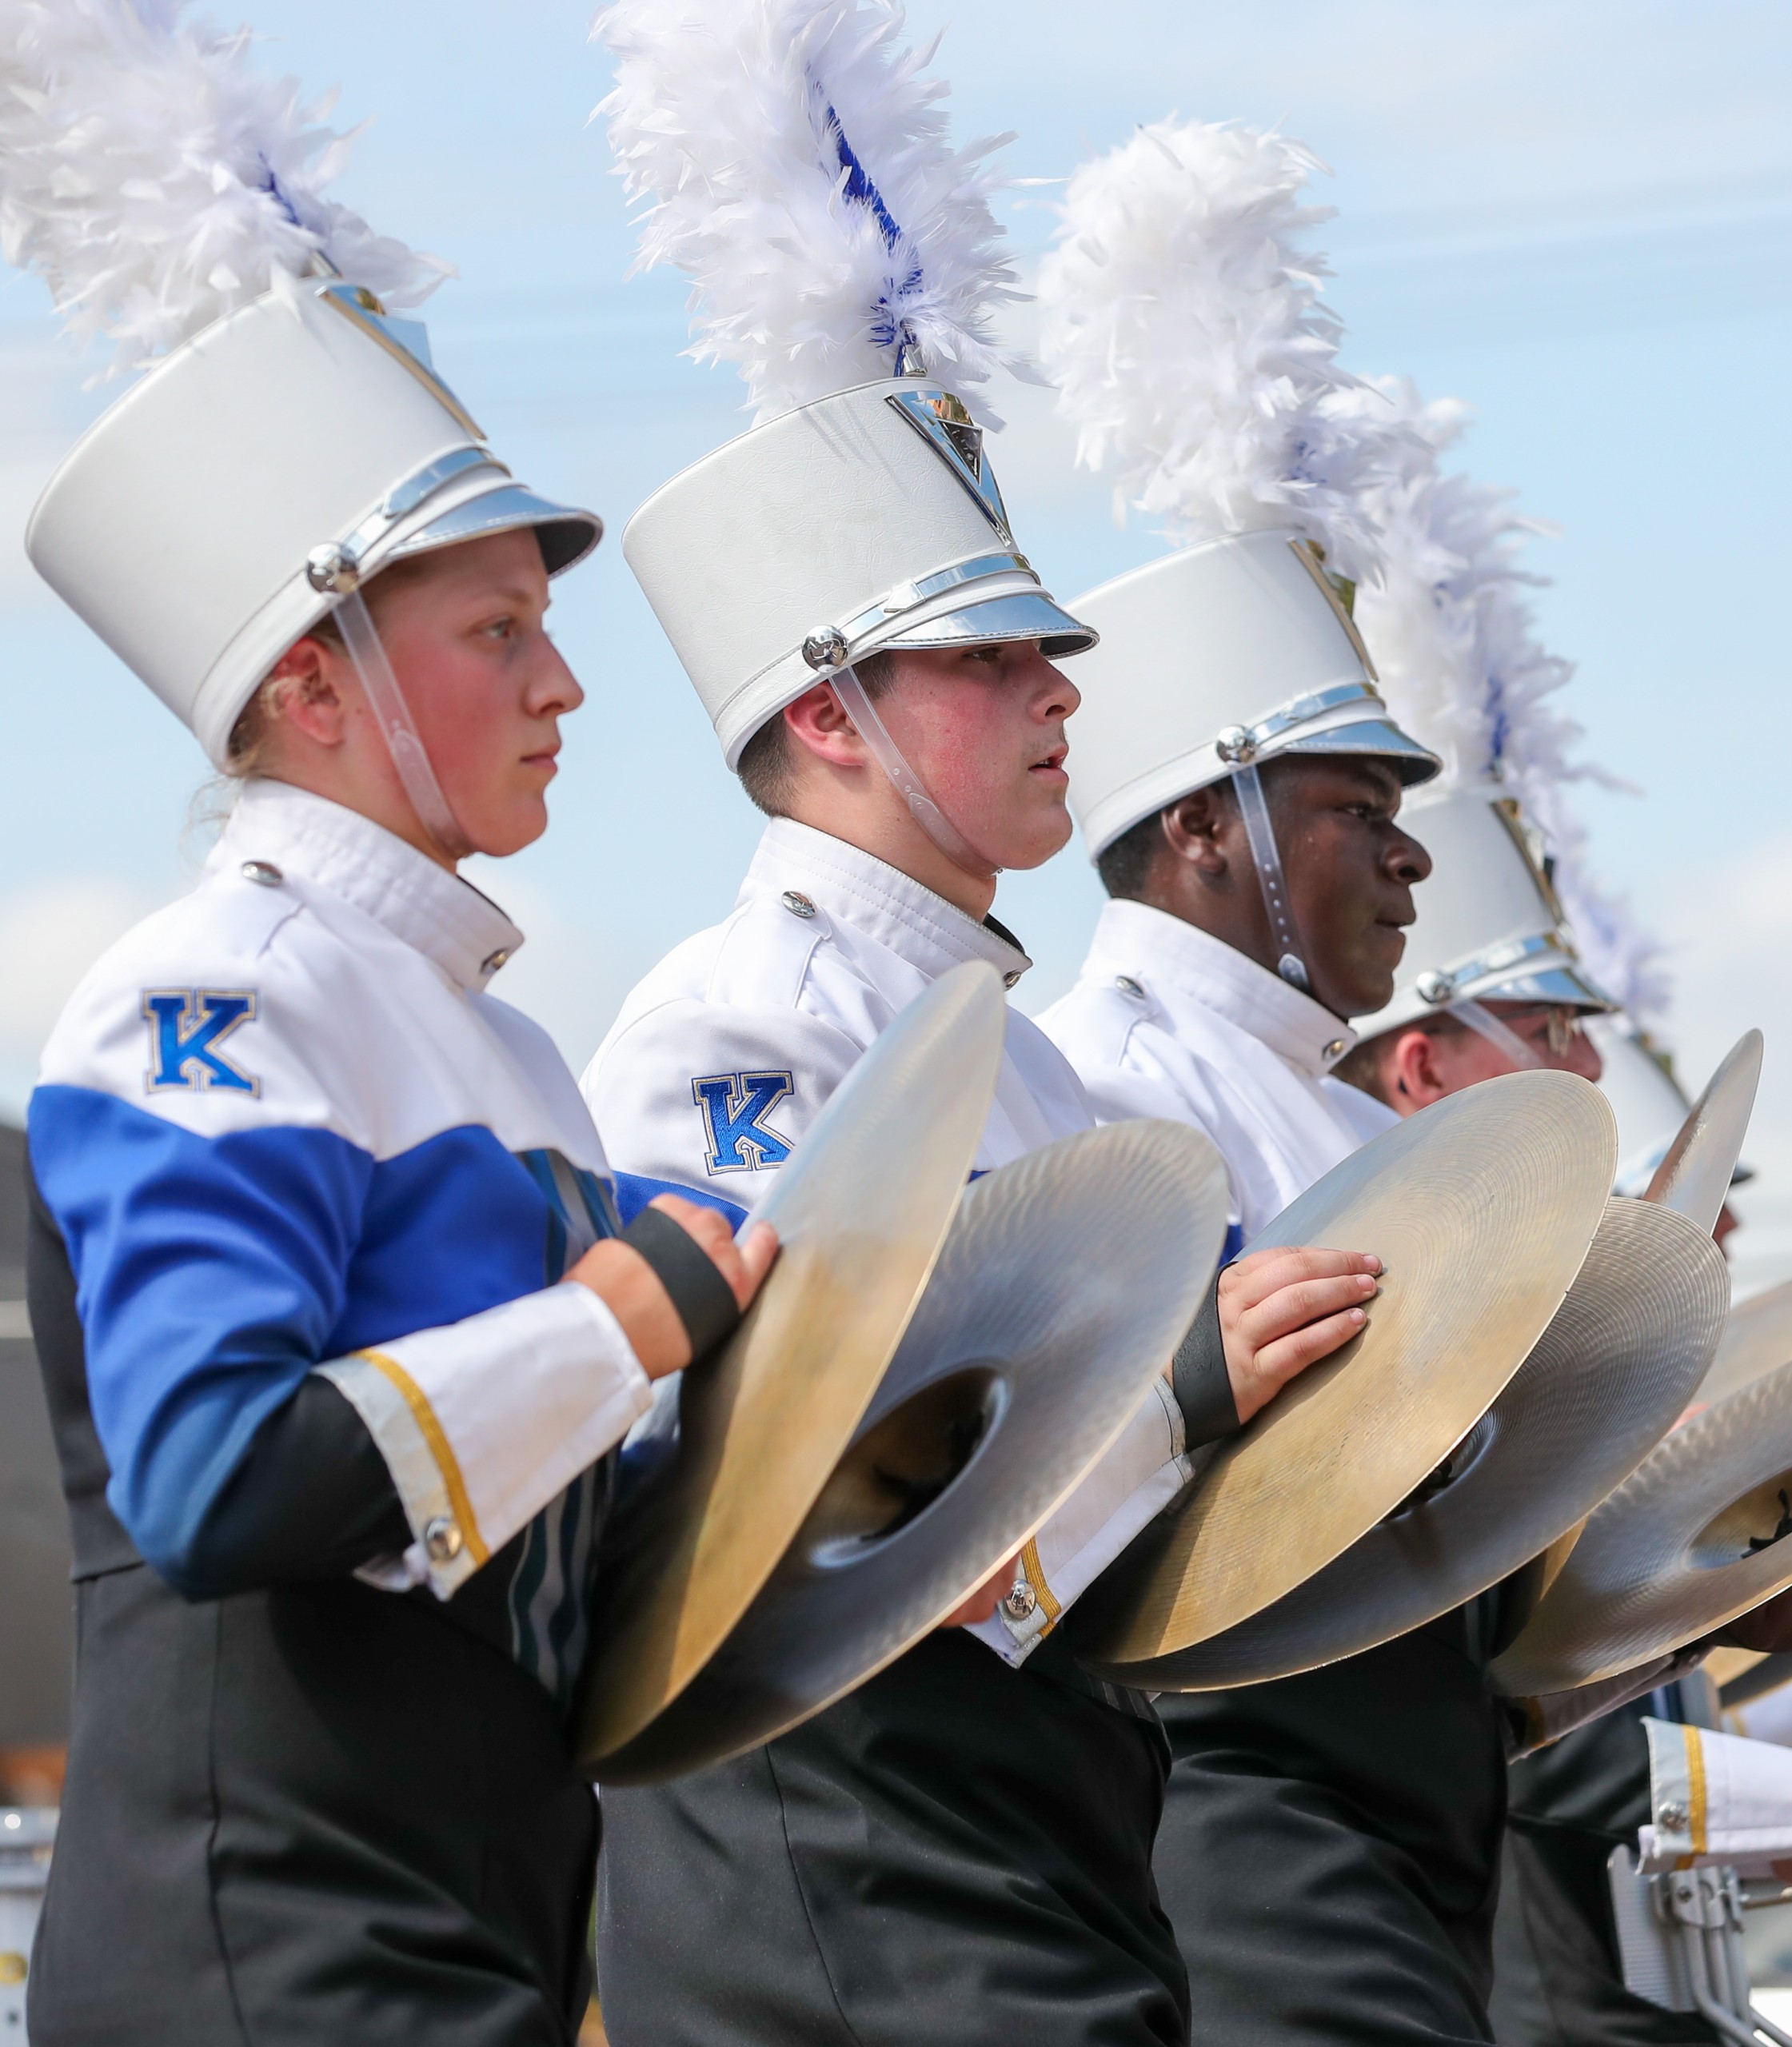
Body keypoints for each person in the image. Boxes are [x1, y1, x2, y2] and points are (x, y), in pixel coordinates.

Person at [581, 17, 1375, 2040]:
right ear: (828, 712)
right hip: (850, 1873)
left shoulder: (1026, 1056)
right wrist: (1180, 1390)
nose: (1059, 698)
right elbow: (801, 1480)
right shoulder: (735, 1015)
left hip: (1033, 1845)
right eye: (989, 658)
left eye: (1050, 652)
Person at [10, 26, 772, 2040]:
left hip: (463, 1951)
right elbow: (214, 1479)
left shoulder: (503, 1050)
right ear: (316, 679)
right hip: (265, 1962)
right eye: (498, 629)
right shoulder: (211, 992)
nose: (564, 685)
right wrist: (617, 1318)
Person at [1034, 120, 1654, 2046]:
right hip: (1255, 1825)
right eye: (1349, 811)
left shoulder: (1319, 1100)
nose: (1403, 859)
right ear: (1207, 833)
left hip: (1413, 1809)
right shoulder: (1101, 1088)